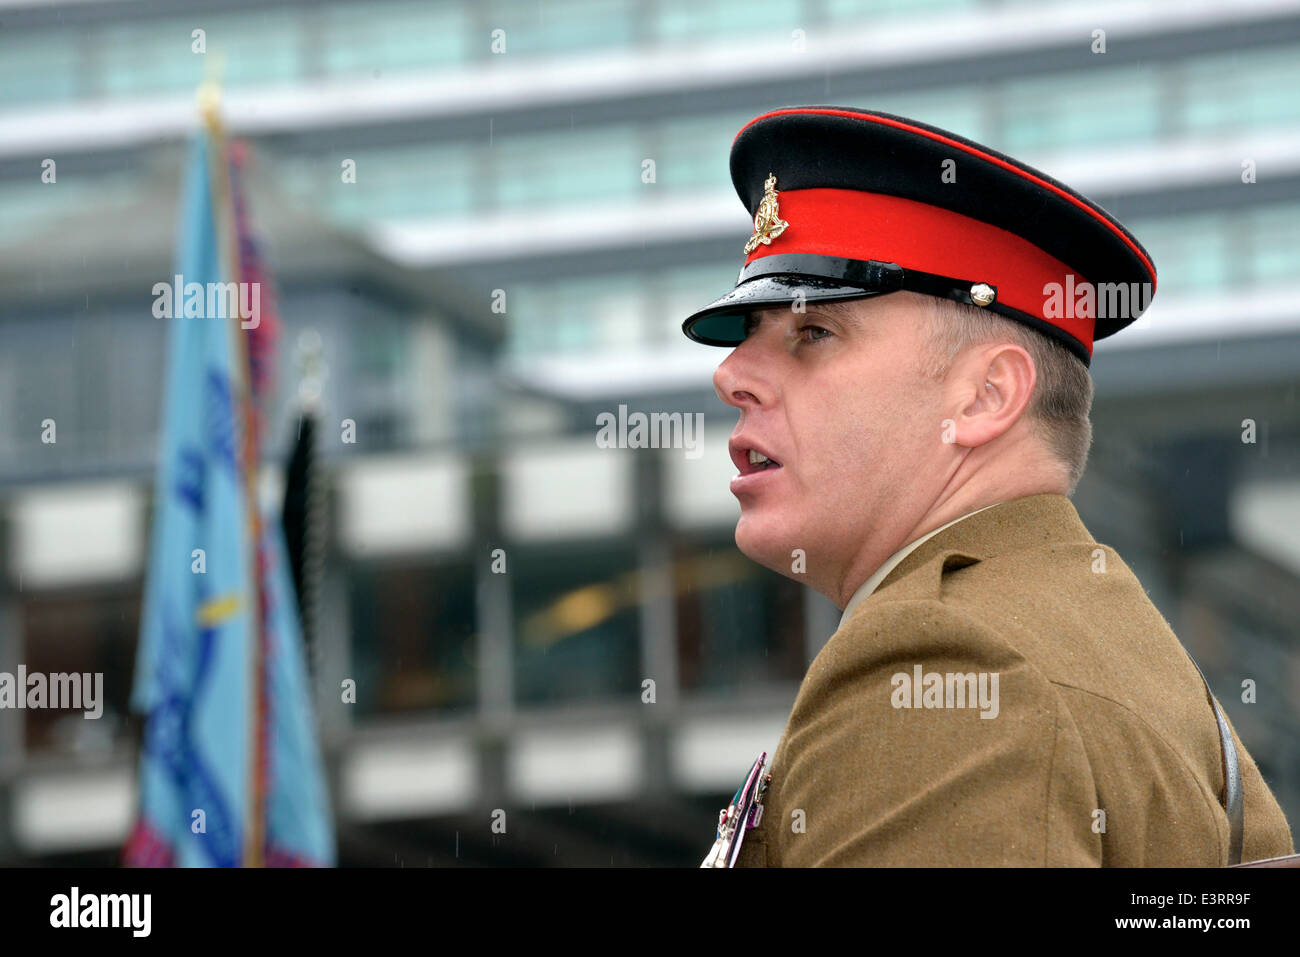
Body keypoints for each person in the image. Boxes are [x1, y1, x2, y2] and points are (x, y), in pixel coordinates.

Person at [685, 106, 1294, 866]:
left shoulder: (944, 663)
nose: (731, 375)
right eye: (747, 336)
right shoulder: (1107, 645)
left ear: (985, 397)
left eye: (812, 332)